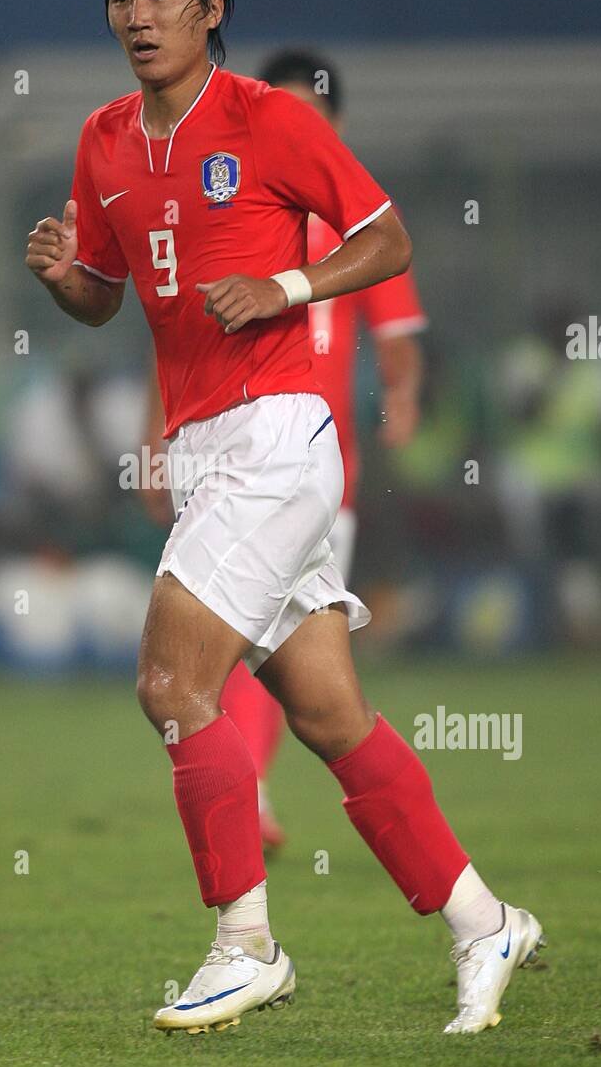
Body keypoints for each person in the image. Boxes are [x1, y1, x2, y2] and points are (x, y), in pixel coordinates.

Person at [25, 0, 543, 1037]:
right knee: (328, 714)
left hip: (277, 438)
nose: (138, 15)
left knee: (171, 683)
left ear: (212, 11)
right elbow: (107, 296)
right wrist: (65, 277)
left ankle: (243, 944)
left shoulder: (269, 119)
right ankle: (483, 919)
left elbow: (389, 238)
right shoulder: (105, 138)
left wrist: (291, 288)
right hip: (210, 446)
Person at [141, 48, 428, 849]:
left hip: (302, 463)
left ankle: (247, 871)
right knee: (316, 693)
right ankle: (477, 914)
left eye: (310, 113)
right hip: (231, 456)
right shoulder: (237, 208)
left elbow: (397, 327)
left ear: (331, 125)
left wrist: (399, 395)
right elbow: (170, 330)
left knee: (207, 662)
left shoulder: (354, 225)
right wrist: (152, 438)